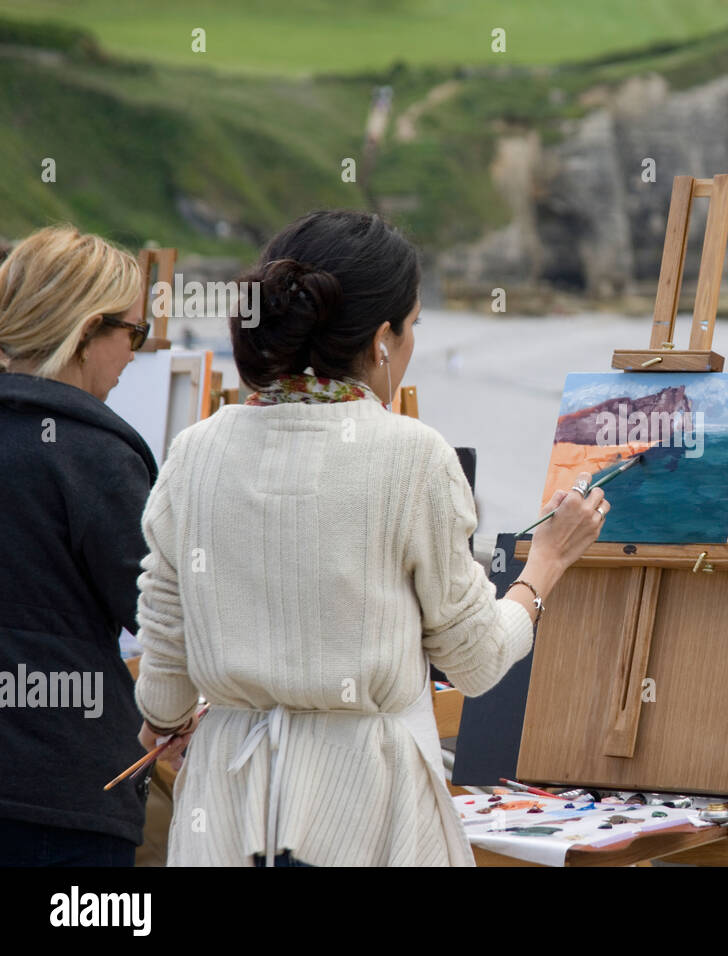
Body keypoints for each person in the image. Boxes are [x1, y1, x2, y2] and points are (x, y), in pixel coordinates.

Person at [133, 209, 609, 866]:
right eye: (412, 328)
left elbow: (164, 655)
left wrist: (165, 720)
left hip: (227, 800)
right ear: (382, 338)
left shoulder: (195, 453)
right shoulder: (411, 457)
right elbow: (474, 659)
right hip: (361, 800)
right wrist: (546, 565)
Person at [0, 224, 186, 865]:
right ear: (85, 333)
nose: (135, 353)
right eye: (131, 333)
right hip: (62, 791)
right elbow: (164, 619)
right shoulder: (96, 455)